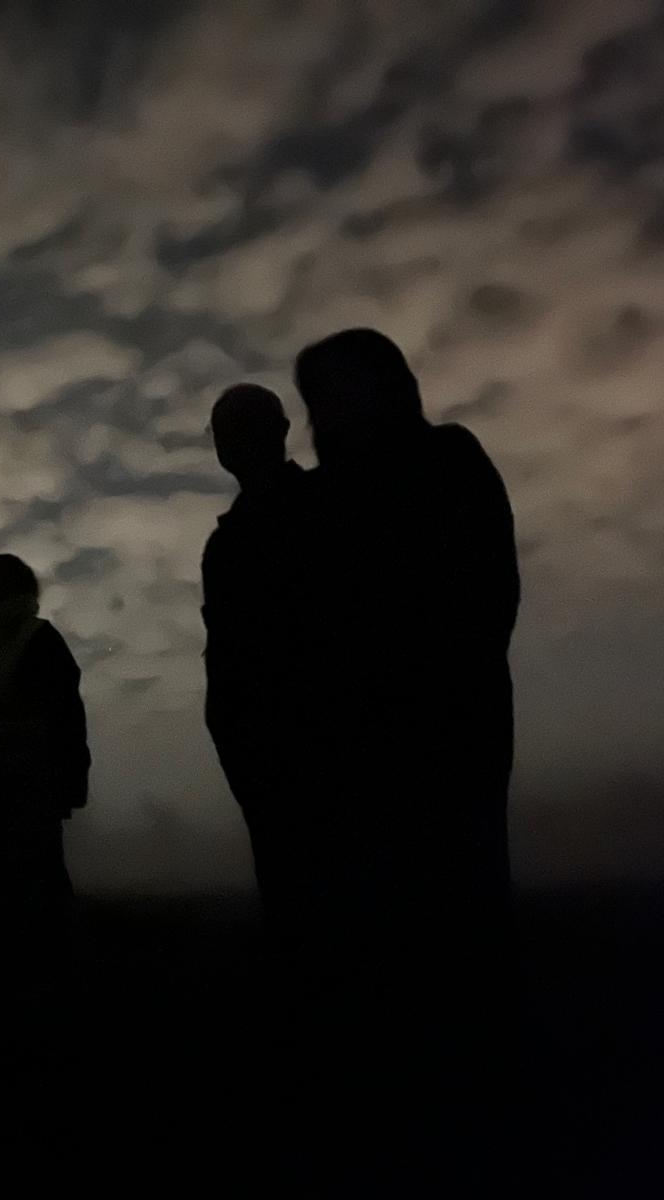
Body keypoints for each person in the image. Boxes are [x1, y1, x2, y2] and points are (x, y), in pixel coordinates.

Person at [293, 328, 520, 1179]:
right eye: (315, 400)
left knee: (456, 936)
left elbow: (485, 598)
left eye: (333, 393)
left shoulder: (447, 462)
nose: (323, 415)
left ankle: (469, 1119)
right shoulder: (324, 499)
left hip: (443, 743)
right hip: (361, 762)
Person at [199, 384, 320, 950]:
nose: (231, 443)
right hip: (264, 763)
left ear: (280, 431)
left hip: (329, 755)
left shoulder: (329, 511)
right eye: (225, 432)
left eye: (240, 428)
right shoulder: (226, 544)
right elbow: (225, 658)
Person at [0, 554, 89, 962]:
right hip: (4, 780)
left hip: (28, 782)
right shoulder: (0, 643)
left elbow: (58, 718)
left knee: (34, 887)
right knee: (15, 887)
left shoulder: (31, 641)